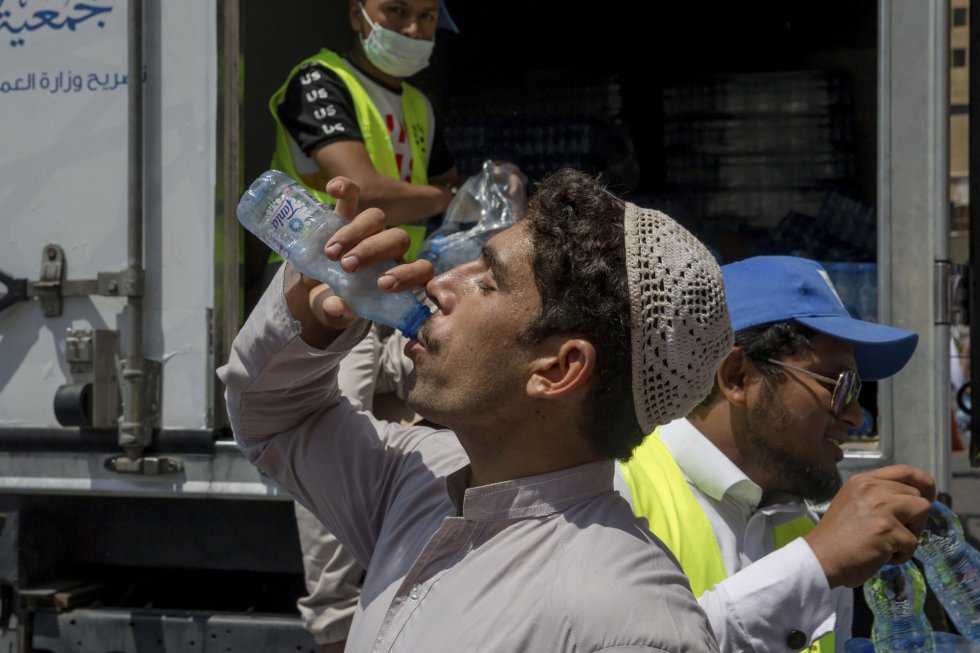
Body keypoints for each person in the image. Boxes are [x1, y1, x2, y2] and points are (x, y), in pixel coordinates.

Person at [219, 168, 733, 651]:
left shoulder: (631, 618)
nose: (440, 283)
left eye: (487, 282)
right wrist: (318, 303)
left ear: (557, 369)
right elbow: (282, 419)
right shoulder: (417, 483)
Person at [255, 1, 464, 649]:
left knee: (469, 393)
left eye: (426, 17)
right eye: (395, 11)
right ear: (357, 13)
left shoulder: (420, 108)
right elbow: (366, 187)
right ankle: (334, 629)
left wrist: (433, 201)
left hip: (399, 294)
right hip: (329, 292)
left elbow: (443, 193)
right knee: (329, 435)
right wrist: (436, 197)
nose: (411, 29)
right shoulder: (317, 82)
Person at [616, 255, 937, 652]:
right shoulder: (613, 493)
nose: (855, 416)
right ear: (737, 377)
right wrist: (813, 566)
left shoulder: (805, 526)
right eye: (840, 385)